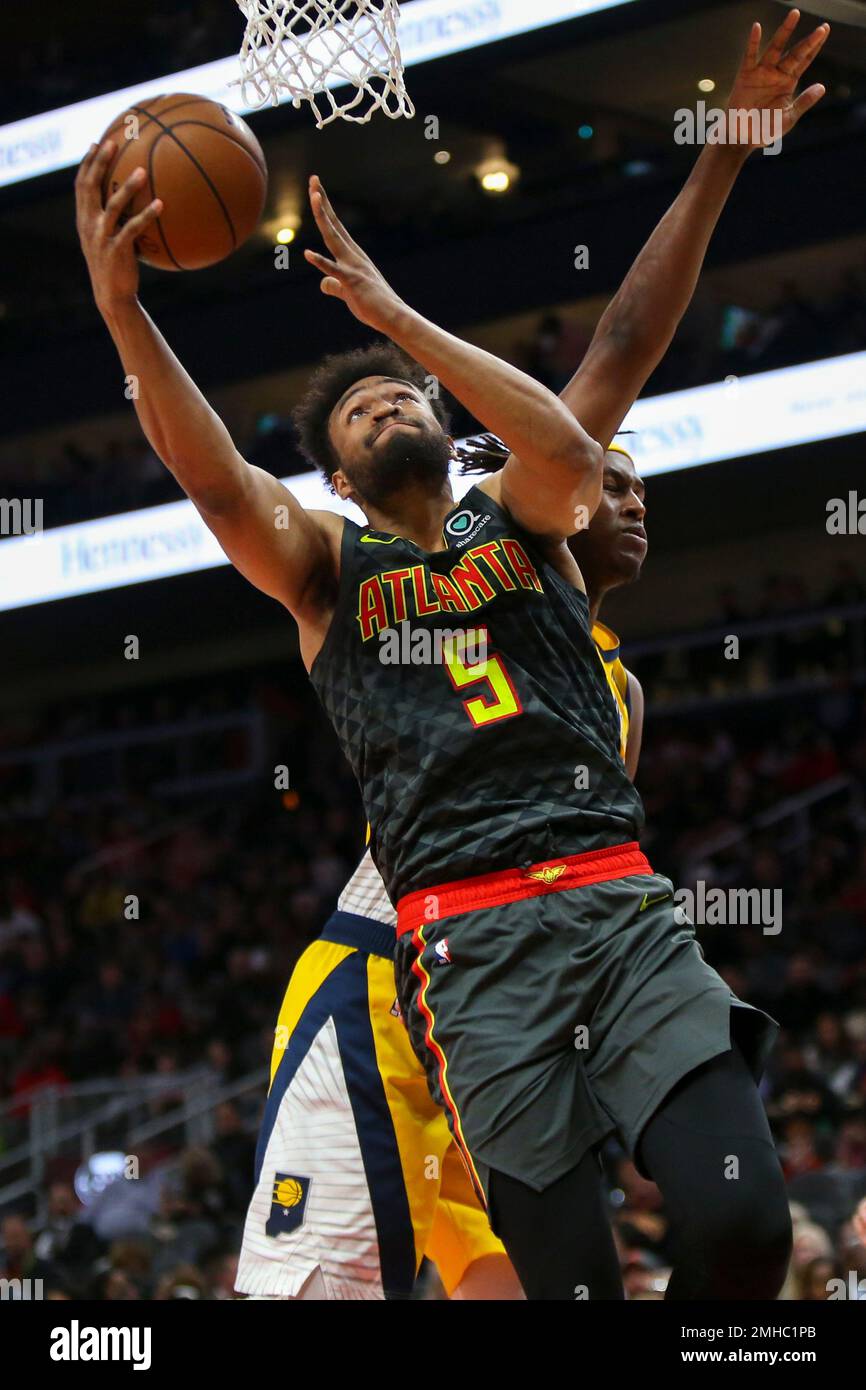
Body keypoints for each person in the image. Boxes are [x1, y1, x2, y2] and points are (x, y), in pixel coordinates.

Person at [74, 12, 828, 1298]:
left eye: (401, 394)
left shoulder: (527, 515)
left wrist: (719, 153)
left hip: (612, 907)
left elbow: (623, 350)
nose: (382, 402)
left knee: (746, 1232)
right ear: (332, 475)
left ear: (445, 414)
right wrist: (122, 310)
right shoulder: (325, 571)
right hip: (465, 950)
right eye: (356, 408)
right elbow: (213, 487)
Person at [235, 442, 645, 1300]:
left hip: (502, 1013)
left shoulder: (619, 686)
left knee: (534, 1283)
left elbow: (590, 874)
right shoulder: (441, 597)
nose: (632, 505)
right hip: (388, 967)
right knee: (320, 1286)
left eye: (641, 489)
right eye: (608, 485)